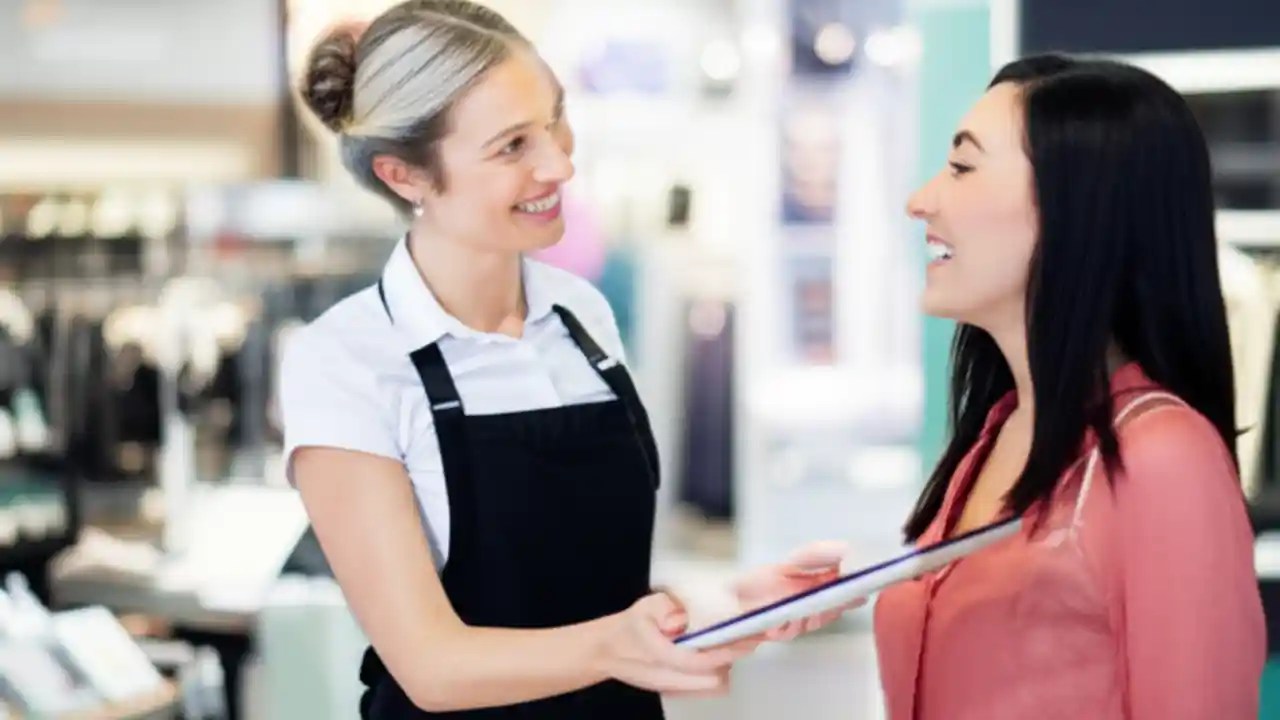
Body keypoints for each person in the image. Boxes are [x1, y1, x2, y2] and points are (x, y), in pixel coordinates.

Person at [281, 2, 847, 718]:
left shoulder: (582, 316)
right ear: (406, 176)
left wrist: (731, 606)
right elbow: (432, 665)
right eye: (513, 146)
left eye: (554, 119)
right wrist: (621, 645)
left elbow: (597, 596)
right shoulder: (347, 361)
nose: (560, 162)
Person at [865, 54, 1267, 719]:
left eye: (963, 167)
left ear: (1076, 205)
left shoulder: (1162, 458)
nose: (922, 199)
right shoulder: (995, 432)